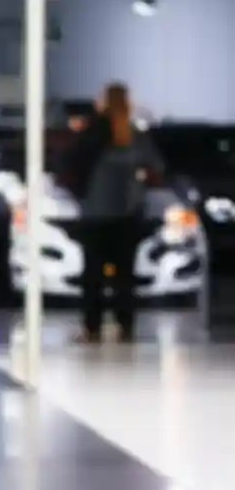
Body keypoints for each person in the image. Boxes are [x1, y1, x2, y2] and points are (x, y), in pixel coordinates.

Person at [62, 83, 164, 343]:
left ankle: (92, 328)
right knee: (124, 276)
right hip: (127, 213)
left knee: (93, 276)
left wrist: (80, 193)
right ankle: (125, 326)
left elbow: (68, 164)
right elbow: (156, 168)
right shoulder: (134, 135)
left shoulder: (92, 132)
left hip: (95, 213)